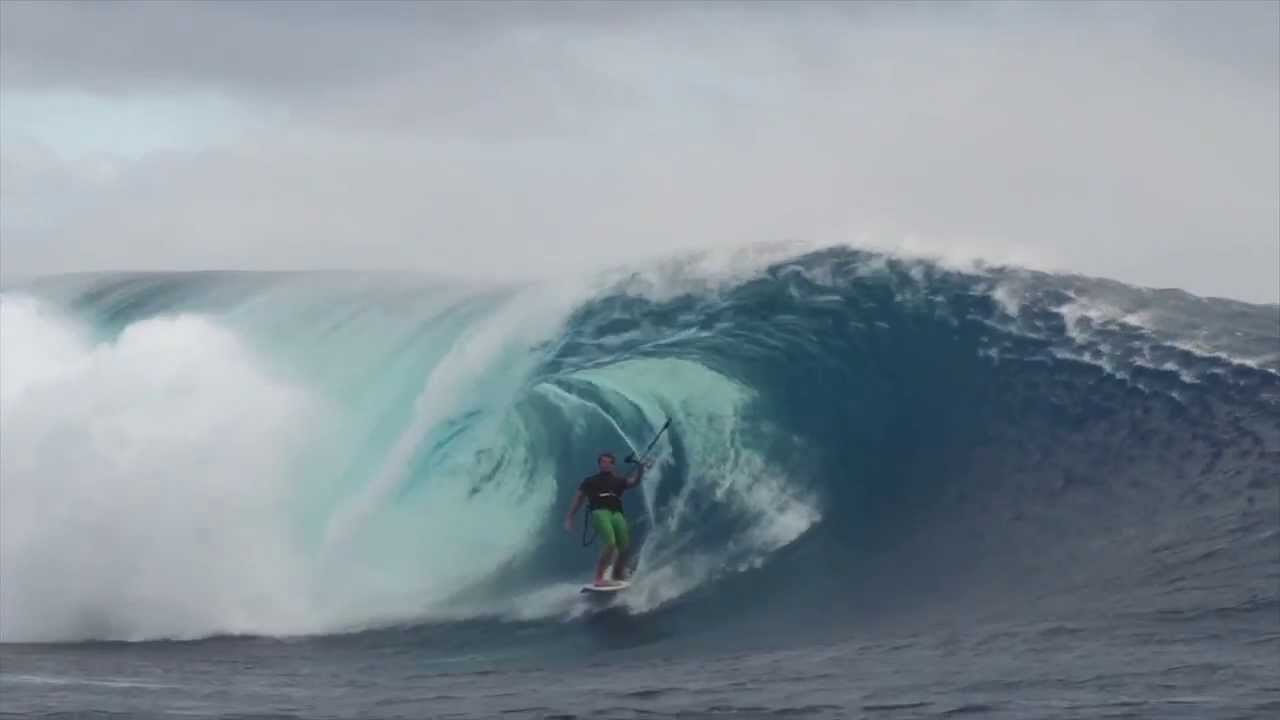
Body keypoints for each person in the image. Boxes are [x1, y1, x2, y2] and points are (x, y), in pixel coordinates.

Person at [563, 451, 650, 586]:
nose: (604, 465)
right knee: (610, 543)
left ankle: (617, 574)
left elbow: (635, 482)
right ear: (599, 464)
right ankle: (599, 578)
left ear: (613, 465)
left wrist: (640, 469)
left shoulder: (619, 481)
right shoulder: (590, 481)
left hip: (616, 513)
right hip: (599, 512)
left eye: (607, 462)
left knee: (624, 547)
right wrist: (570, 517)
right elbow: (578, 499)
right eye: (602, 462)